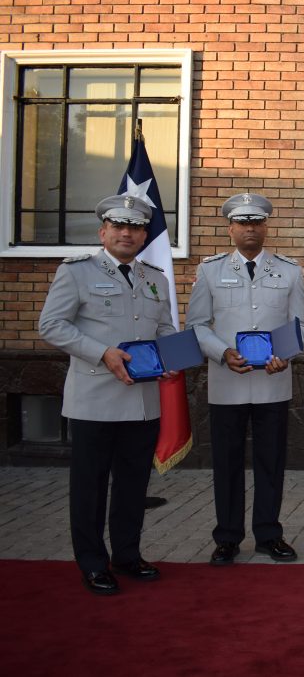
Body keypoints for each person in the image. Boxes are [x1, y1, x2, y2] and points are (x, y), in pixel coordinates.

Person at [39, 194, 175, 595]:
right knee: (90, 487)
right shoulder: (76, 273)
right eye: (118, 226)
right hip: (94, 400)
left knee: (133, 486)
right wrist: (102, 352)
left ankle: (127, 555)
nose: (126, 233)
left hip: (142, 402)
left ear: (144, 234)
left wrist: (172, 356)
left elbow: (163, 329)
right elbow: (52, 325)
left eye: (134, 227)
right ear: (103, 232)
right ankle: (93, 563)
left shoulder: (156, 278)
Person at [186, 193, 304, 565]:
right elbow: (196, 325)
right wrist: (221, 352)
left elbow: (299, 325)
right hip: (228, 381)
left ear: (266, 227)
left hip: (273, 382)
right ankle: (227, 537)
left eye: (256, 222)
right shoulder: (210, 270)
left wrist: (284, 354)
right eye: (242, 223)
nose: (250, 228)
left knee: (271, 461)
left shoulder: (289, 270)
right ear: (231, 229)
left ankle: (269, 534)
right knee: (227, 463)